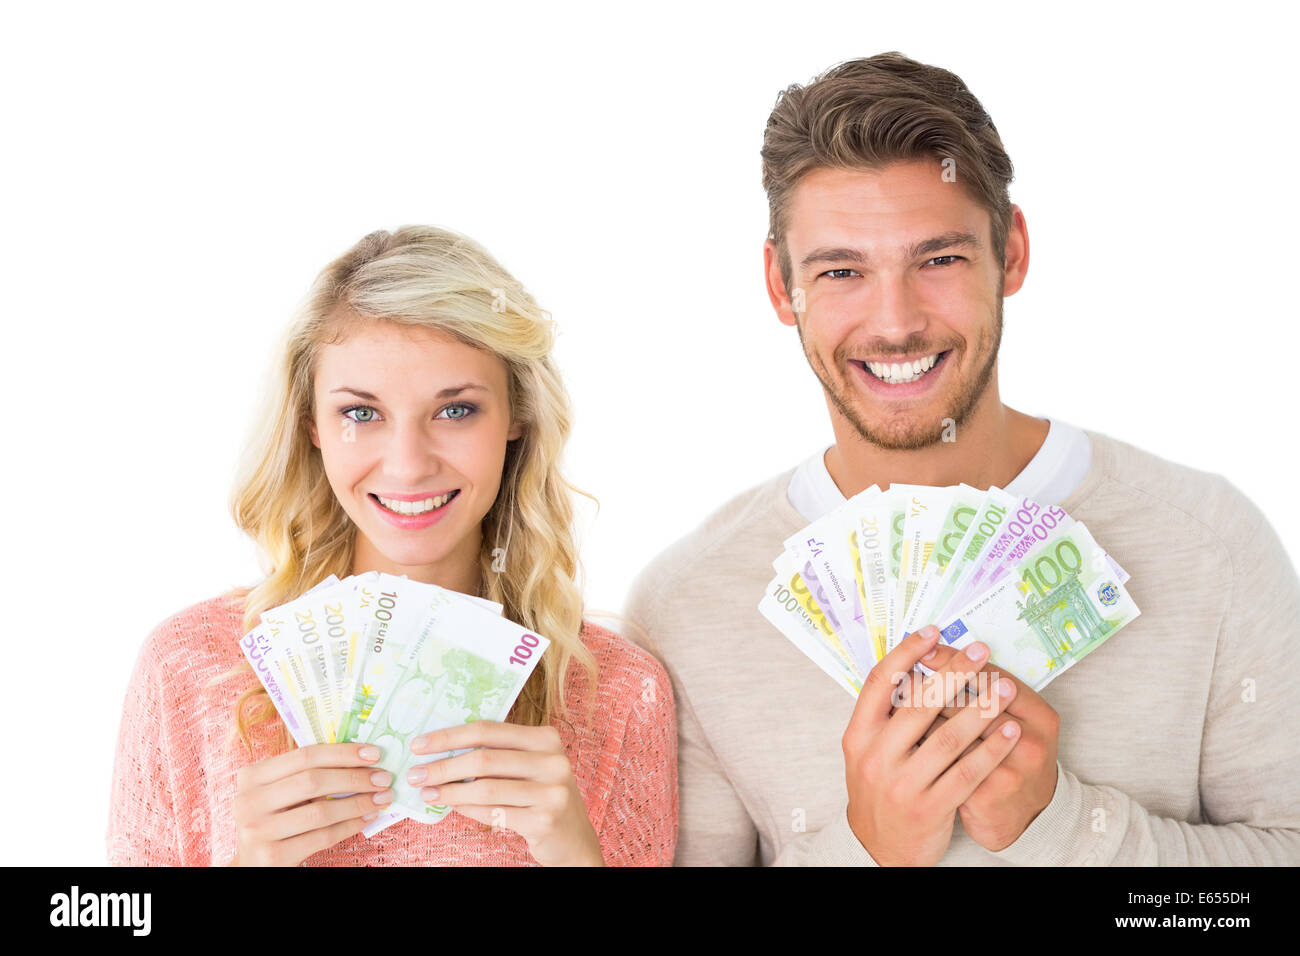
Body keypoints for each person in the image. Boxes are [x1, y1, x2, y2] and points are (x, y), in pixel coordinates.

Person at [623, 52, 1300, 866]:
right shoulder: (690, 603)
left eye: (938, 260)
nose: (897, 322)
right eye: (841, 270)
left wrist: (1059, 826)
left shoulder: (1211, 545)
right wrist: (870, 851)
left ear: (1010, 253)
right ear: (780, 285)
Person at [108, 226, 677, 866]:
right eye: (361, 412)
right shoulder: (189, 668)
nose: (408, 466)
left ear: (517, 419)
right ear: (312, 427)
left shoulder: (620, 694)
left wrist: (576, 856)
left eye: (455, 410)